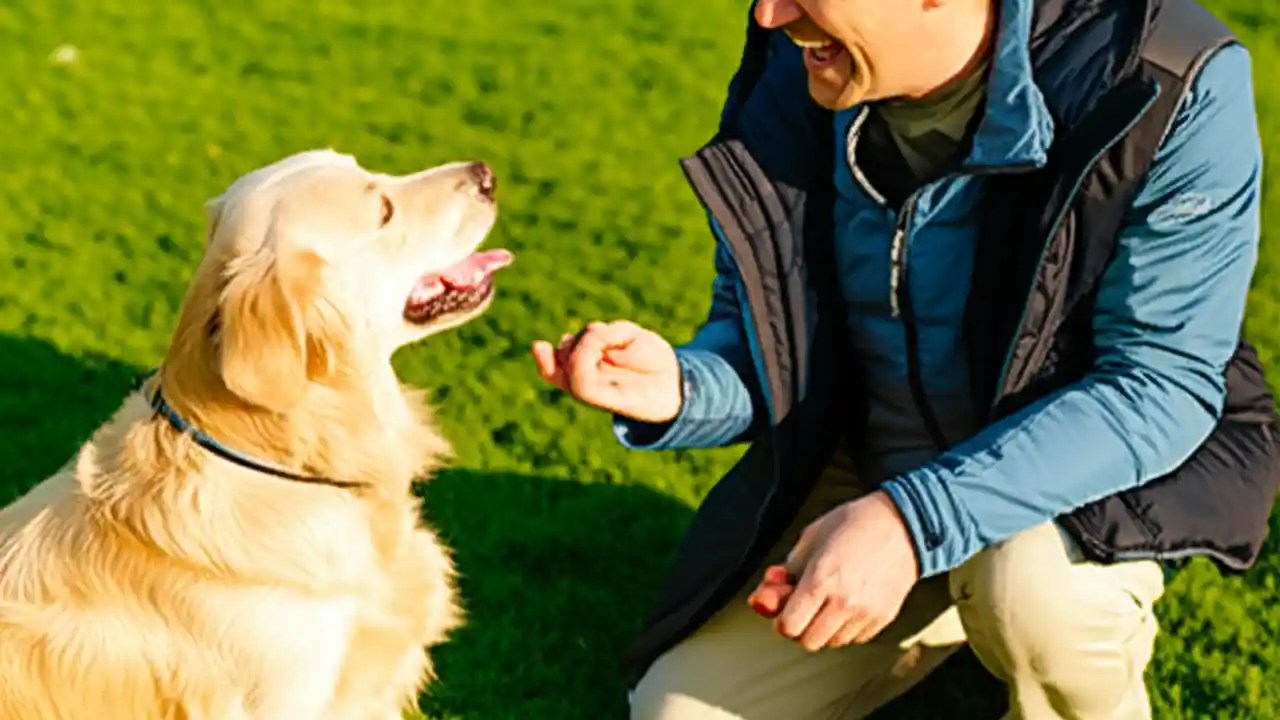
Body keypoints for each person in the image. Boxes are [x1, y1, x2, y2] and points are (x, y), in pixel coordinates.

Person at [533, 0, 1279, 717]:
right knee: (678, 715)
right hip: (874, 468)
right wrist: (684, 386)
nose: (768, 15)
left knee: (1027, 590)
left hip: (1067, 483)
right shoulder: (800, 75)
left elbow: (1159, 382)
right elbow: (772, 335)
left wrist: (909, 523)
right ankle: (947, 603)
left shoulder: (1166, 74)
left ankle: (1012, 627)